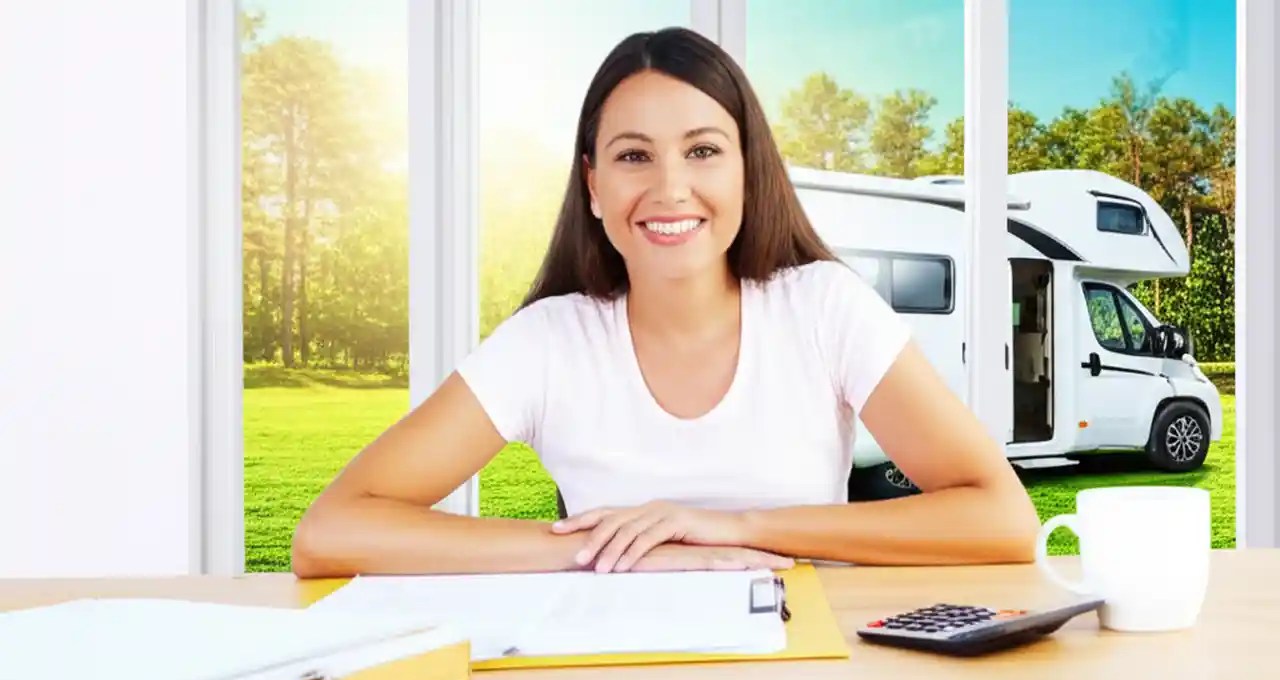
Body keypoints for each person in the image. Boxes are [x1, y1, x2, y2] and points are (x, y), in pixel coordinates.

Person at [291, 27, 1041, 579]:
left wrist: (736, 528)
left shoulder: (824, 309)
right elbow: (329, 533)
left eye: (704, 150)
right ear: (592, 182)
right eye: (633, 156)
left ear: (749, 169)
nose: (670, 188)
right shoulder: (550, 341)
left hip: (799, 671)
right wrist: (617, 553)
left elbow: (1002, 517)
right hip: (612, 673)